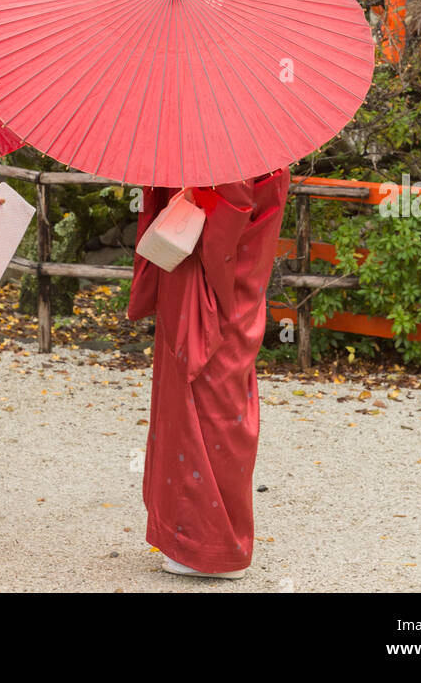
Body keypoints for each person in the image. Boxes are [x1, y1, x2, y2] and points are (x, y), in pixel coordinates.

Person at [129, 168, 290, 579]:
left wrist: (193, 194)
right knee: (215, 405)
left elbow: (228, 219)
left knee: (206, 406)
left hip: (209, 288)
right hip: (230, 287)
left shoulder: (226, 155)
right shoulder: (260, 147)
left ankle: (208, 546)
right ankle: (197, 538)